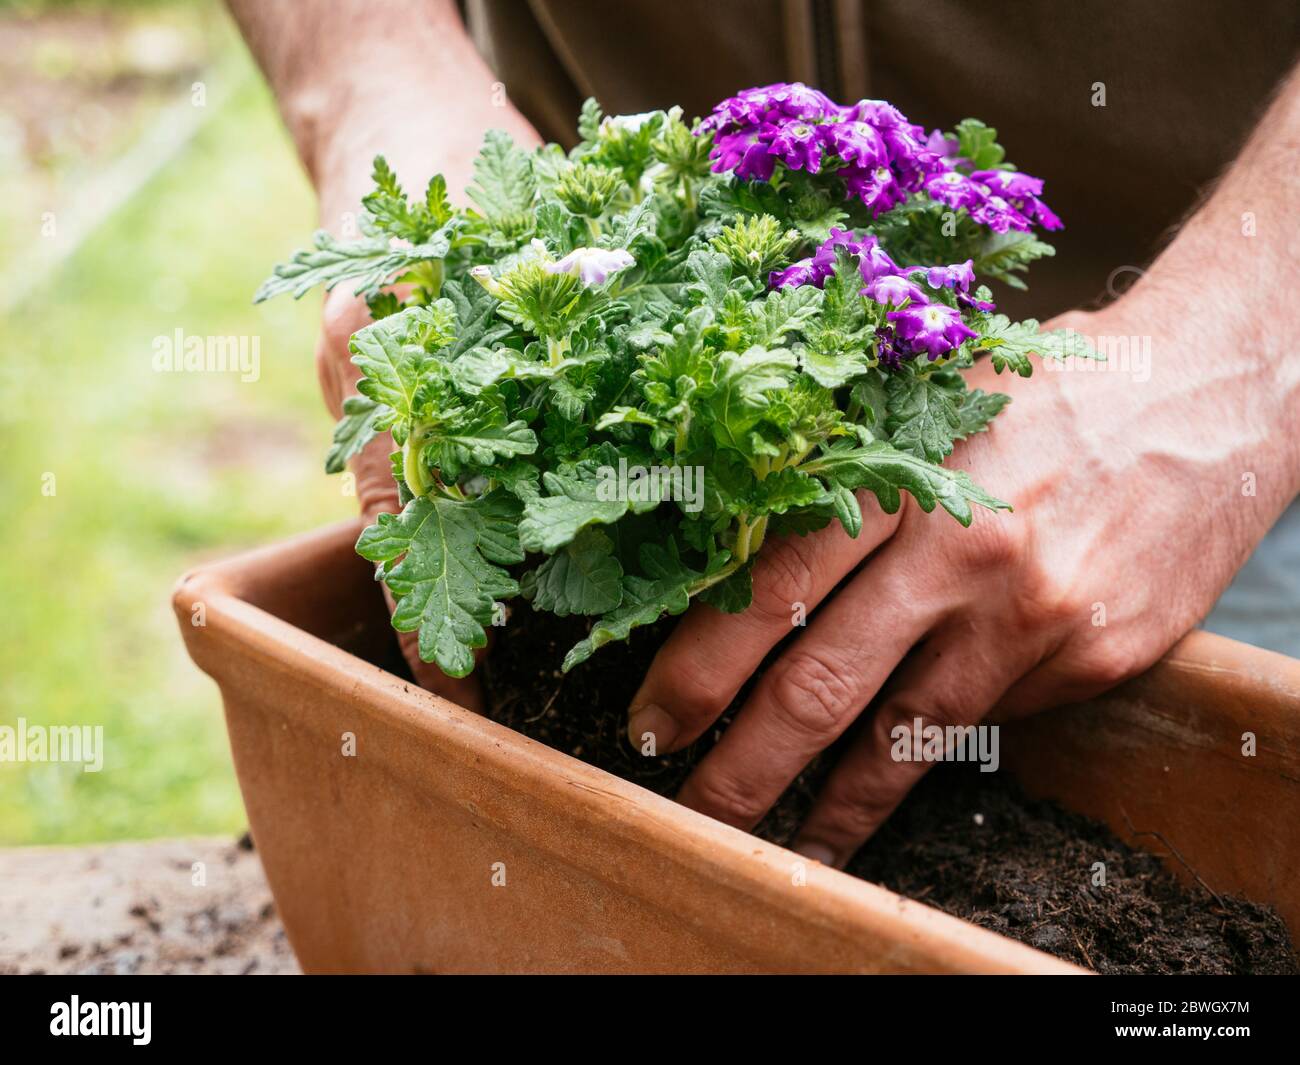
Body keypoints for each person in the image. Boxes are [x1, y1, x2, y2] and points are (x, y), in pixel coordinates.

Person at [229, 0, 1300, 868]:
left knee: (1185, 823)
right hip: (614, 270)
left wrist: (1244, 351)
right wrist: (381, 73)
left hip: (1164, 425)